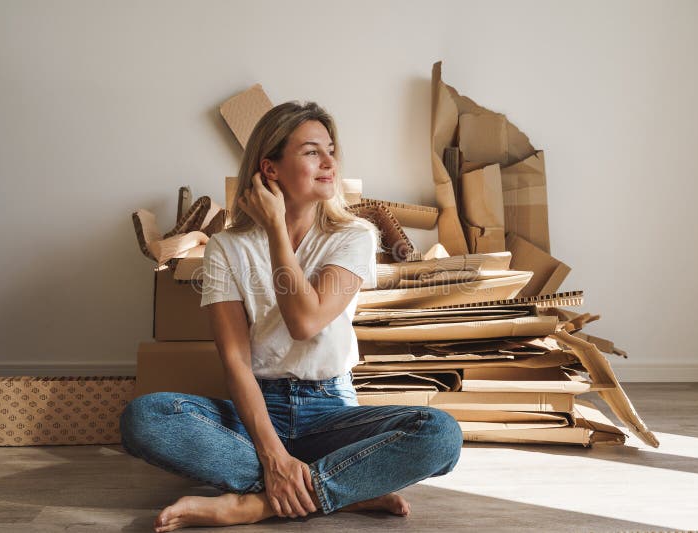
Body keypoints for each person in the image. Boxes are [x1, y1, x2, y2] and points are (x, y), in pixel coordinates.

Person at [119, 101, 463, 532]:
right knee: (145, 418)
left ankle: (256, 505)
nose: (329, 162)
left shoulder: (354, 237)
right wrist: (273, 455)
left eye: (331, 149)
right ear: (271, 169)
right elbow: (236, 363)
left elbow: (305, 320)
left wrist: (278, 230)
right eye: (311, 151)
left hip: (331, 411)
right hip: (259, 411)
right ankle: (341, 486)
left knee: (440, 434)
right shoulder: (228, 247)